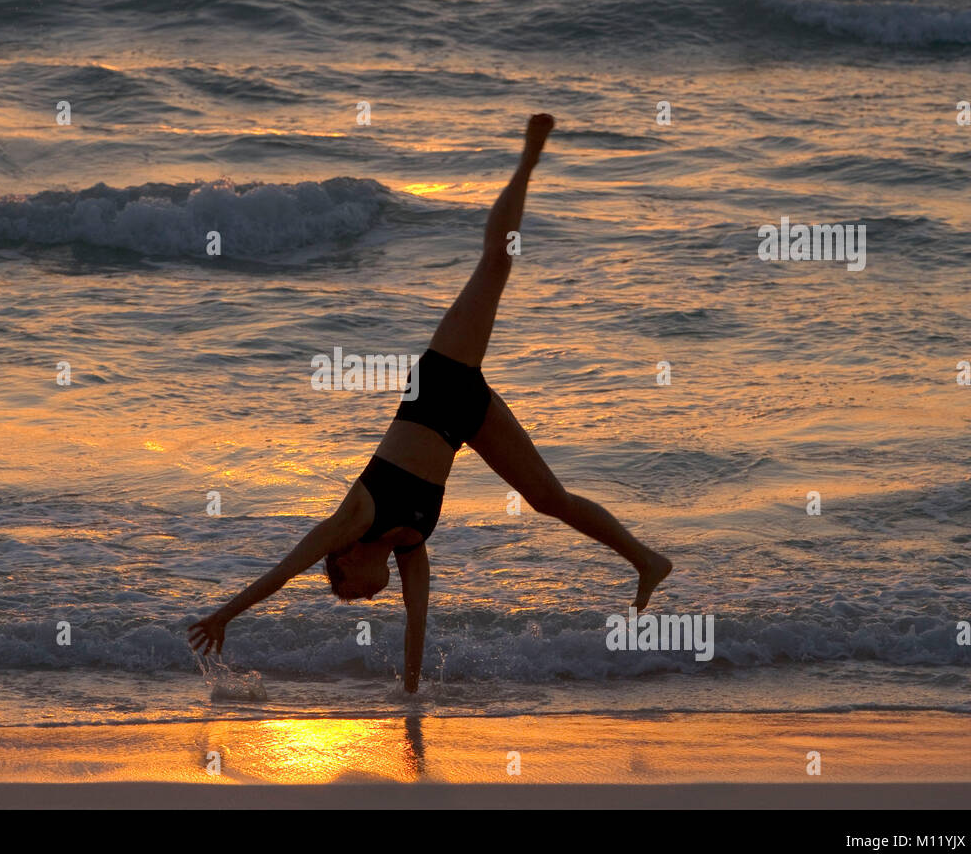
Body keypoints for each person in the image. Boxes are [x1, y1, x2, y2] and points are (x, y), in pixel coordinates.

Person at [189, 114, 672, 692]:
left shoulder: (353, 518)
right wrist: (411, 692)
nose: (363, 598)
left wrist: (224, 616)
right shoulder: (408, 545)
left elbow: (283, 571)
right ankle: (646, 560)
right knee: (548, 499)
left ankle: (529, 156)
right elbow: (417, 620)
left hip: (440, 382)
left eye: (350, 592)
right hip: (465, 417)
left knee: (496, 264)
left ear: (345, 561)